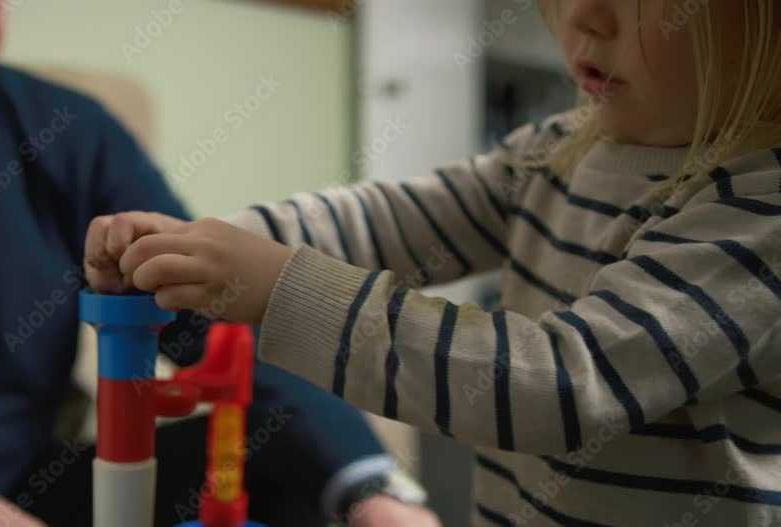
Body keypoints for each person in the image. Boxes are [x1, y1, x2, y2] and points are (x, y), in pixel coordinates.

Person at [85, 1, 781, 525]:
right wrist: (210, 242)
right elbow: (399, 219)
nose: (584, 18)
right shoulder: (563, 145)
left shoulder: (759, 210)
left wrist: (286, 289)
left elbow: (566, 383)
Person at [0, 1, 442, 526]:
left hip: (28, 491)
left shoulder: (68, 129)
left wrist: (372, 487)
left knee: (273, 454)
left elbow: (222, 322)